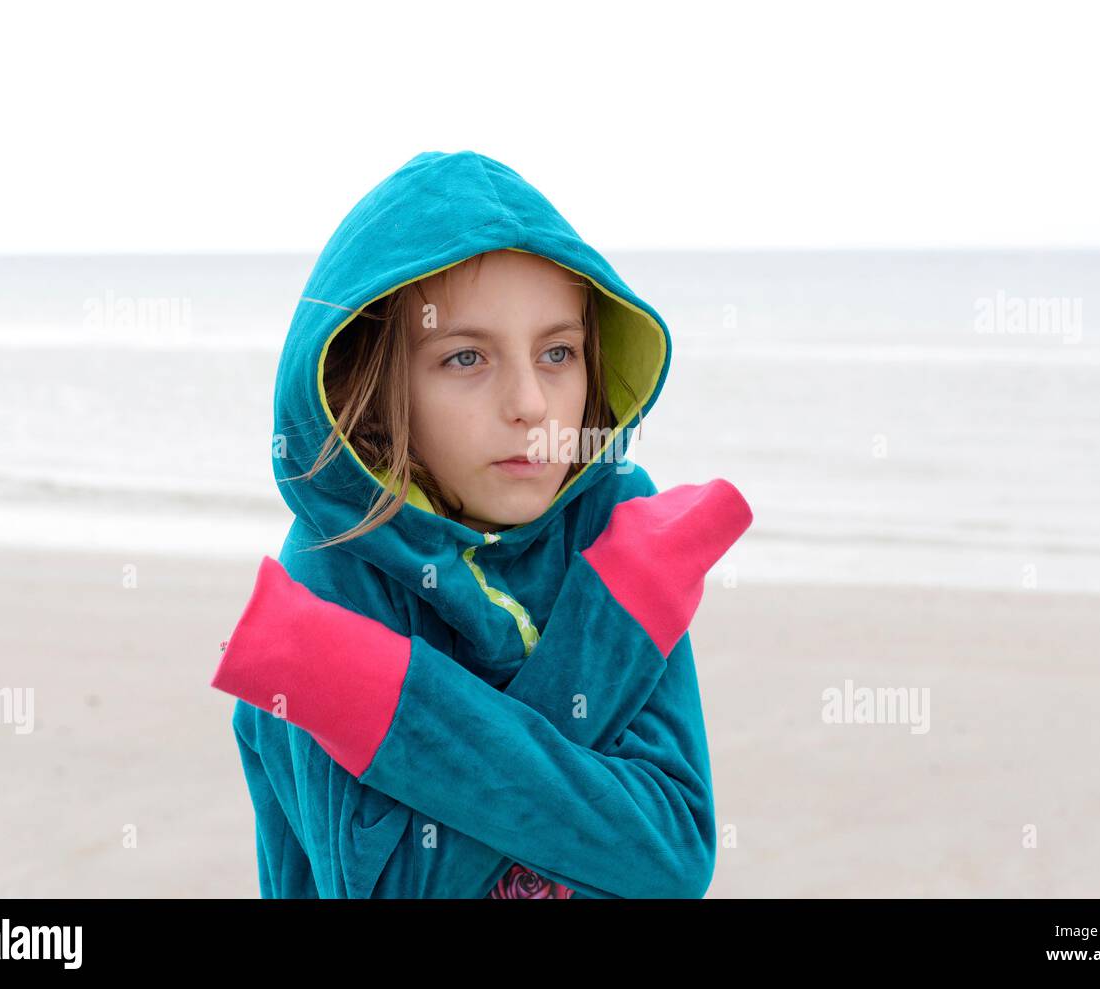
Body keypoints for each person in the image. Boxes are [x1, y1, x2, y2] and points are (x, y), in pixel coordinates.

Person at [209, 150, 753, 898]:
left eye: (558, 351)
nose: (530, 401)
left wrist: (365, 686)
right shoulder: (331, 571)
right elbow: (400, 886)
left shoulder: (612, 522)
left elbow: (674, 852)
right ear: (372, 387)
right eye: (466, 357)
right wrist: (614, 622)